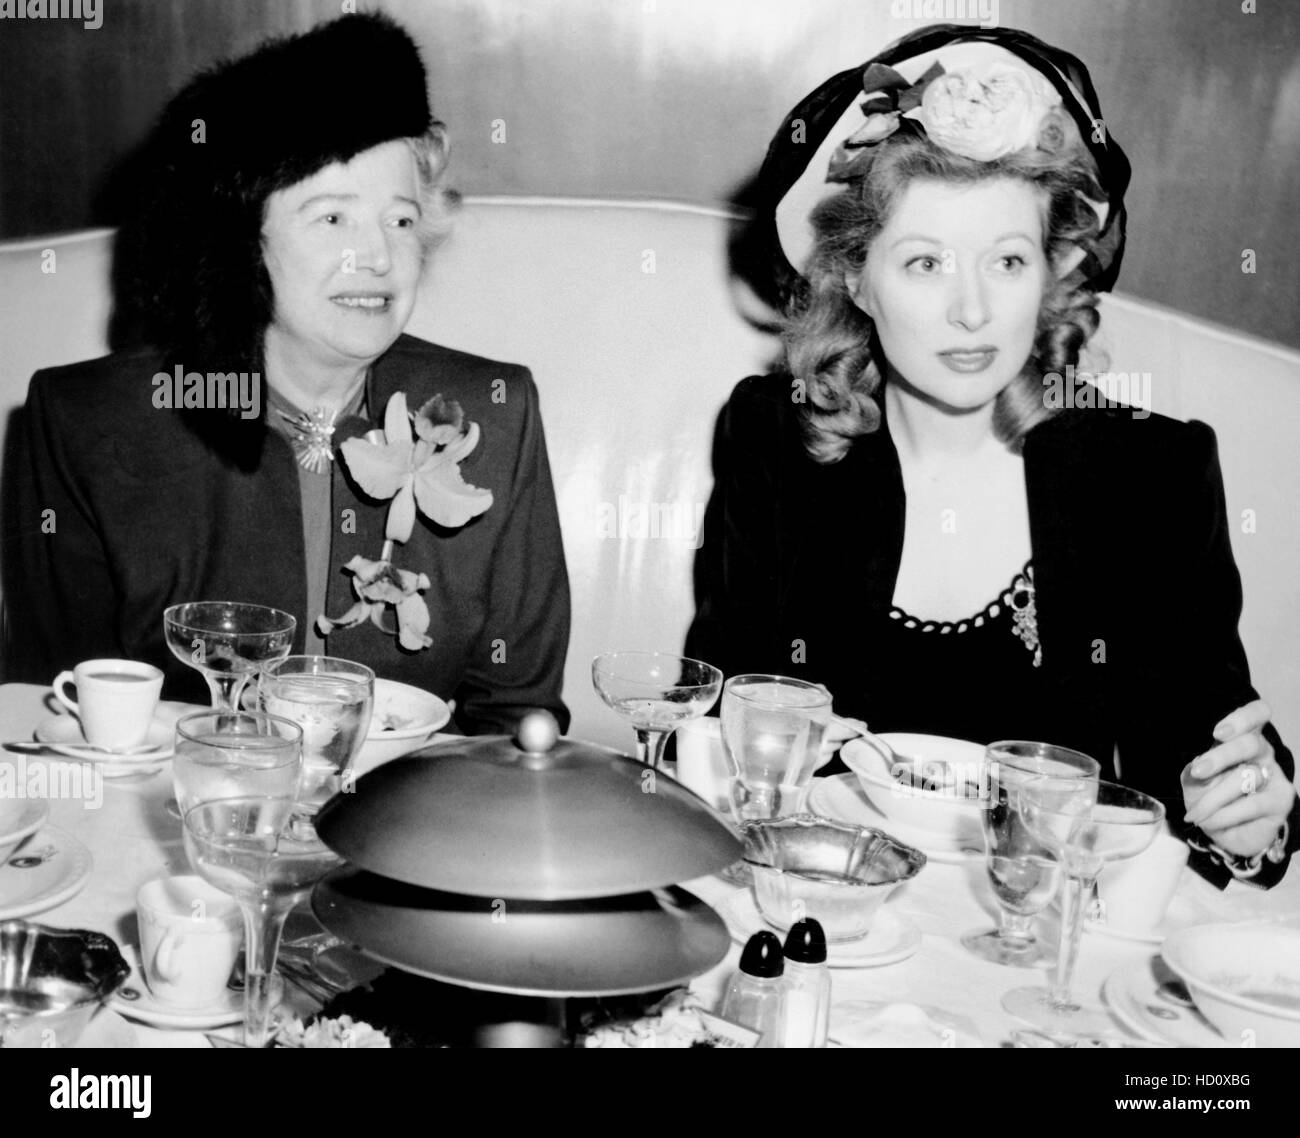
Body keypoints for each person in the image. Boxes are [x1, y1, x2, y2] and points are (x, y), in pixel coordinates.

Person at [686, 24, 1297, 887]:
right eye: (926, 262)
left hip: (1039, 940)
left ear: (1050, 272)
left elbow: (1208, 750)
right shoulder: (774, 441)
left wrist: (1247, 814)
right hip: (836, 913)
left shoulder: (1147, 474)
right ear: (856, 279)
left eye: (1006, 260)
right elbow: (729, 710)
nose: (972, 311)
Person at [1, 13, 570, 736]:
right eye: (332, 219)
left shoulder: (491, 412)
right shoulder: (86, 423)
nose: (378, 257)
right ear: (241, 244)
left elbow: (517, 725)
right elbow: (60, 720)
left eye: (399, 221)